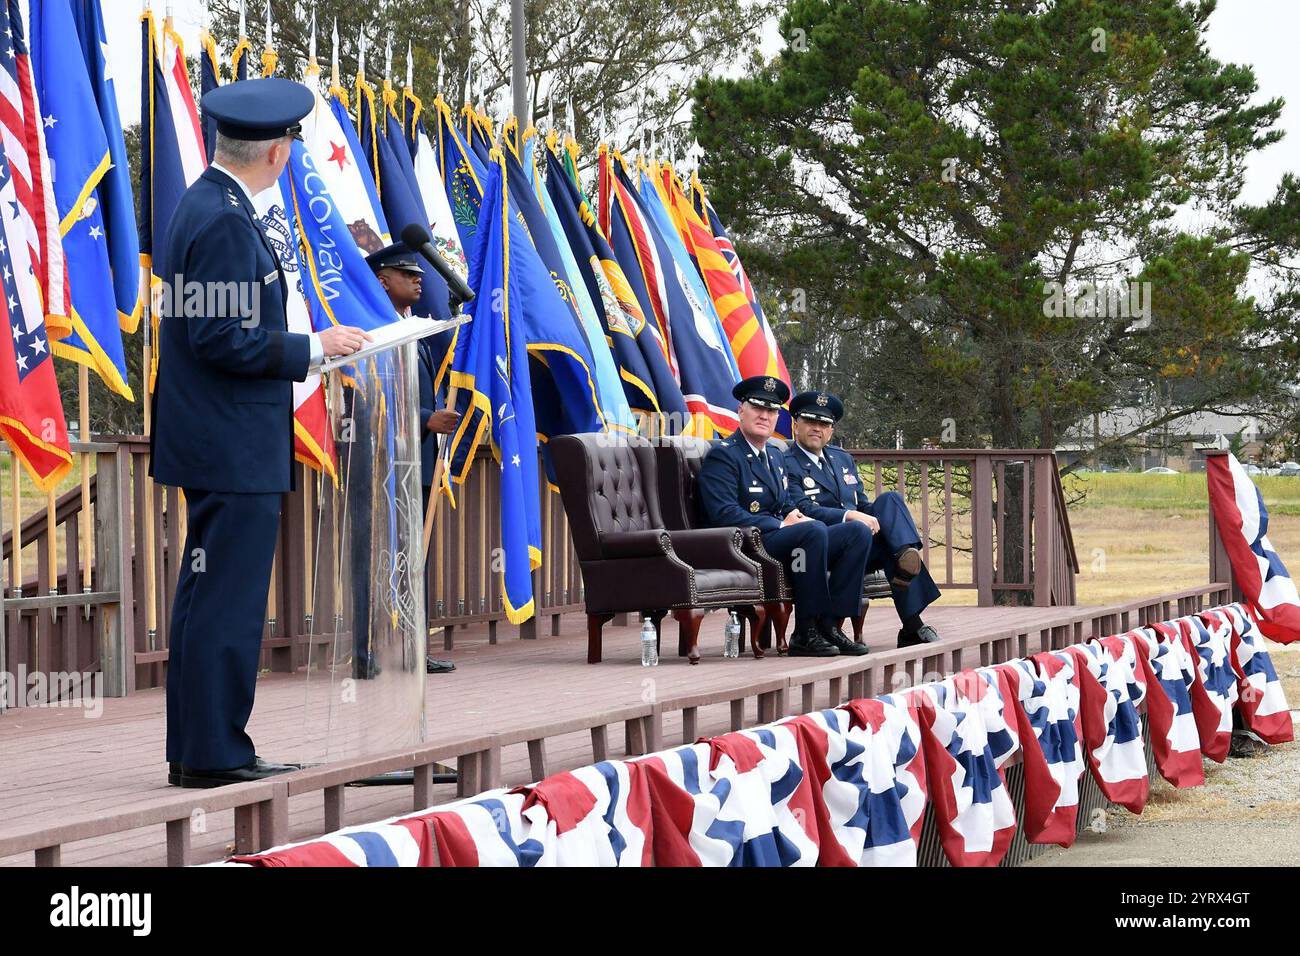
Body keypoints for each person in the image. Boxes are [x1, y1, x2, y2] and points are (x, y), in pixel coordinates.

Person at [152, 79, 371, 787]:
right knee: (226, 601)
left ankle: (198, 749)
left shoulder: (206, 204)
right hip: (229, 442)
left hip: (216, 439)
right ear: (278, 153)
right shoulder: (221, 219)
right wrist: (313, 346)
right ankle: (215, 753)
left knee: (205, 595)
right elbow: (221, 338)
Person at [696, 377, 872, 657]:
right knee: (812, 532)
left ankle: (830, 625)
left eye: (772, 411)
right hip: (743, 543)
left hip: (781, 538)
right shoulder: (725, 455)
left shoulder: (775, 456)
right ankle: (805, 631)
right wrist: (782, 523)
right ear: (741, 410)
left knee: (856, 533)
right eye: (757, 408)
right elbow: (724, 514)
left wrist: (793, 514)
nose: (764, 416)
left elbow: (785, 502)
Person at [363, 243, 459, 674]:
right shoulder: (372, 329)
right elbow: (373, 394)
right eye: (408, 274)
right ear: (383, 281)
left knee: (414, 556)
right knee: (380, 557)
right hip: (383, 462)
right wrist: (426, 419)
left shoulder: (409, 328)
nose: (419, 280)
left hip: (415, 461)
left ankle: (414, 648)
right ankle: (371, 651)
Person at [782, 391, 942, 648]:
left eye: (824, 424)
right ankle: (912, 623)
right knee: (882, 541)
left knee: (889, 500)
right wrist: (850, 515)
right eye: (810, 421)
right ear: (795, 424)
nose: (816, 428)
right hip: (823, 545)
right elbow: (801, 507)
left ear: (831, 431)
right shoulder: (786, 462)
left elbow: (862, 502)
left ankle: (905, 555)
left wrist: (870, 516)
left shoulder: (841, 458)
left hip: (859, 544)